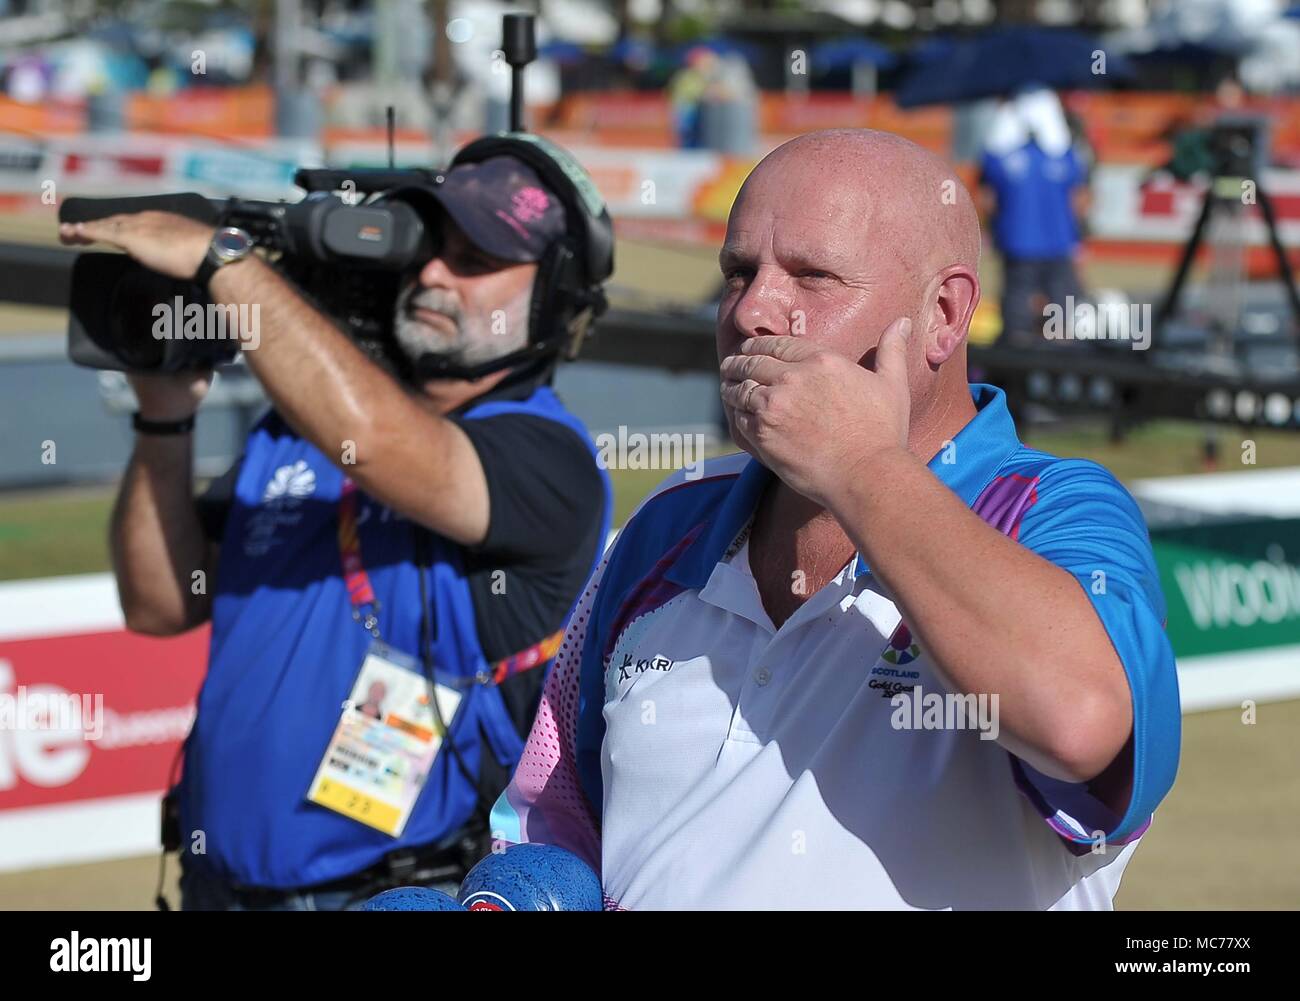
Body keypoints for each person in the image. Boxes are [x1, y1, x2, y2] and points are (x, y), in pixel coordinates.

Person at [491, 128, 1180, 910]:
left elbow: (1080, 720)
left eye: (812, 277)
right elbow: (553, 818)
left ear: (945, 315)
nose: (753, 310)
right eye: (738, 271)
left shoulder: (1050, 507)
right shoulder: (671, 520)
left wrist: (859, 467)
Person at [60, 141, 613, 909]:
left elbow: (385, 444)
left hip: (391, 895)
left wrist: (225, 261)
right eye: (430, 250)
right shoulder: (299, 431)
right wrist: (165, 419)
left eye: (474, 258)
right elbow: (158, 604)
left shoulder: (548, 455)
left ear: (553, 296)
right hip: (212, 889)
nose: (432, 275)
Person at [980, 87, 1089, 345]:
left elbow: (987, 199)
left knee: (1017, 302)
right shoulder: (1065, 156)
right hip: (1058, 242)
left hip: (1017, 241)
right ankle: (1062, 354)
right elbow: (1079, 199)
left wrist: (991, 229)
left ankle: (1015, 352)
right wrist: (1080, 235)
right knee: (1062, 309)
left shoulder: (999, 157)